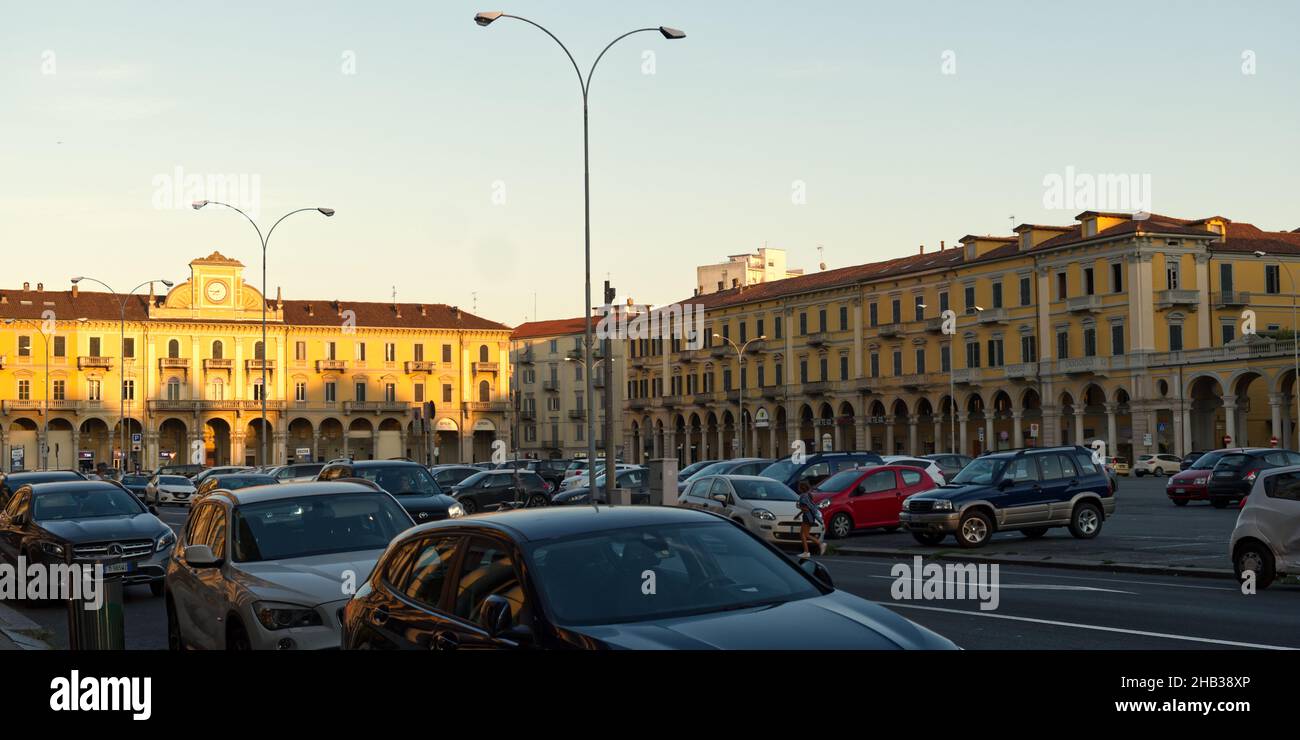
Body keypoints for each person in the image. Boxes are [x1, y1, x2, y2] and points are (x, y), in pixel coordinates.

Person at [795, 480, 825, 558]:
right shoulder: (808, 495)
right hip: (810, 517)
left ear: (801, 488)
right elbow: (807, 508)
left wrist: (798, 507)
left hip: (807, 518)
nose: (798, 488)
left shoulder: (803, 496)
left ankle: (812, 549)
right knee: (804, 534)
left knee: (804, 534)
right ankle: (808, 550)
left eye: (799, 487)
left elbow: (806, 509)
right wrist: (798, 515)